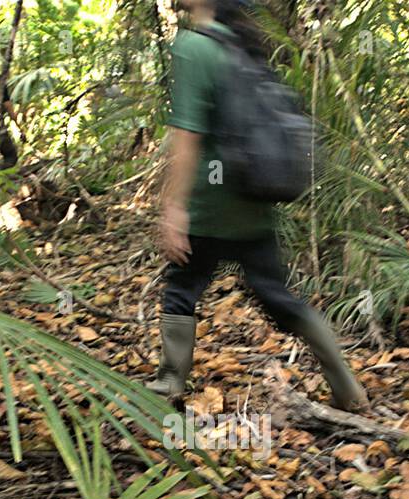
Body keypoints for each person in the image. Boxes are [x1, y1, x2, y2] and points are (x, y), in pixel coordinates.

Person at [150, 0, 368, 412]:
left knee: (181, 290)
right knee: (278, 297)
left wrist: (174, 208)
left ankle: (168, 388)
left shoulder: (192, 46)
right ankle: (347, 386)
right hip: (253, 201)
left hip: (209, 205)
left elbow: (186, 136)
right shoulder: (242, 45)